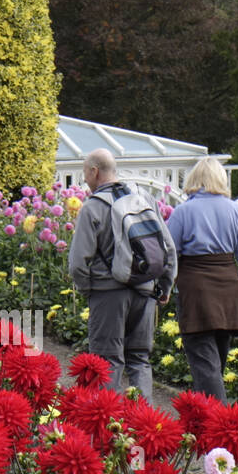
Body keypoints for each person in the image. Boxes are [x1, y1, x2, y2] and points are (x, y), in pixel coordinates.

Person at [68, 148, 177, 400]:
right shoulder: (144, 199)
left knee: (107, 361)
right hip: (145, 291)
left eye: (85, 173)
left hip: (108, 295)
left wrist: (88, 290)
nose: (85, 179)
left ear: (94, 171)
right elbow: (168, 248)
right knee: (139, 359)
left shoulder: (92, 207)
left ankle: (108, 427)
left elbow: (77, 263)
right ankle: (142, 425)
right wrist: (164, 286)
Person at [165, 155, 238, 402]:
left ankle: (215, 422)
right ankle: (211, 421)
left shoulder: (183, 212)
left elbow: (168, 254)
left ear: (194, 180)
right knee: (216, 363)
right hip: (228, 290)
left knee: (205, 365)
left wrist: (164, 287)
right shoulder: (235, 212)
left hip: (196, 291)